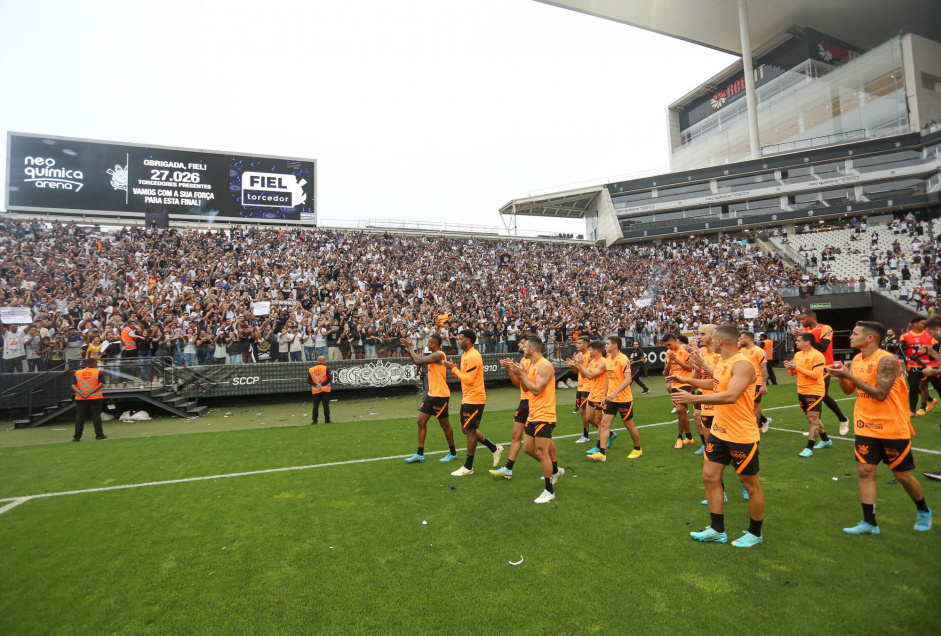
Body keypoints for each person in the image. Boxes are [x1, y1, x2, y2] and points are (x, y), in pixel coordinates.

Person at [826, 321, 932, 534]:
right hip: (865, 425)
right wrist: (841, 374)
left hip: (892, 426)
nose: (850, 336)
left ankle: (923, 509)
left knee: (901, 475)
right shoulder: (856, 359)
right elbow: (849, 390)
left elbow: (880, 394)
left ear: (870, 338)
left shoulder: (888, 360)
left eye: (855, 334)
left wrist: (848, 376)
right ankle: (869, 523)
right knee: (865, 471)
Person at [673, 324, 764, 548]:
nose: (704, 339)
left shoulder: (743, 364)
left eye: (709, 337)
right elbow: (716, 384)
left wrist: (692, 399)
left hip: (741, 435)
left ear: (720, 341)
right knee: (710, 477)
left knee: (750, 485)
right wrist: (687, 382)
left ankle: (755, 533)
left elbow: (731, 395)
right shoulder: (723, 362)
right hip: (718, 432)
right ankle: (717, 530)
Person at [505, 336, 561, 503]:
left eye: (525, 347)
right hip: (533, 413)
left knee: (542, 452)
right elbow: (525, 388)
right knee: (528, 449)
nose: (523, 349)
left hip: (545, 414)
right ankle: (554, 470)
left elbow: (536, 390)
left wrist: (522, 374)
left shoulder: (545, 366)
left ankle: (549, 490)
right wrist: (518, 373)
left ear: (533, 349)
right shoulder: (530, 364)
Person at [443, 329, 502, 476]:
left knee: (469, 431)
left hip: (475, 398)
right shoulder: (466, 355)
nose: (458, 340)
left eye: (461, 338)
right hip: (468, 397)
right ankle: (494, 448)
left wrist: (453, 369)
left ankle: (468, 467)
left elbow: (469, 379)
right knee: (466, 429)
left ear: (468, 340)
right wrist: (454, 369)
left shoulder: (473, 356)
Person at [401, 335, 458, 464]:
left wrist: (410, 348)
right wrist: (410, 349)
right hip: (431, 395)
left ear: (435, 344)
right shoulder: (434, 355)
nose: (427, 344)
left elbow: (418, 361)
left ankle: (453, 452)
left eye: (429, 342)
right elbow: (418, 360)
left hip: (440, 395)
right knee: (421, 422)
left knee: (444, 425)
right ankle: (419, 454)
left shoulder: (439, 355)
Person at [793, 310, 850, 435]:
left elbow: (824, 347)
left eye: (803, 319)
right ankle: (815, 425)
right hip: (809, 367)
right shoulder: (806, 332)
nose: (801, 322)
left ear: (811, 318)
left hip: (825, 366)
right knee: (811, 396)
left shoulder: (825, 328)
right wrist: (798, 338)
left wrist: (806, 338)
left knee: (821, 395)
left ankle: (843, 419)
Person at [587, 336, 642, 461]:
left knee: (629, 426)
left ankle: (637, 449)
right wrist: (605, 395)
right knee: (604, 423)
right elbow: (608, 379)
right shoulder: (608, 360)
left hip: (624, 399)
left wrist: (615, 392)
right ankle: (602, 453)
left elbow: (628, 379)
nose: (605, 346)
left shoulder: (623, 359)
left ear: (615, 345)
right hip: (610, 400)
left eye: (608, 344)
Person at [783, 333, 832, 457]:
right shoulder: (798, 354)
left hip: (815, 390)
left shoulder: (818, 356)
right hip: (801, 390)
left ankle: (809, 448)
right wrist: (789, 367)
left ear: (807, 342)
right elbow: (793, 373)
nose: (796, 342)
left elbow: (816, 375)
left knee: (812, 419)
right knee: (812, 418)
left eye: (799, 340)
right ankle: (826, 440)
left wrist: (797, 367)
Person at [491, 335, 532, 479]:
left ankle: (553, 467)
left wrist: (519, 372)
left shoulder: (537, 363)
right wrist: (510, 369)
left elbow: (528, 387)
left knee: (533, 446)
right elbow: (517, 384)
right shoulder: (523, 360)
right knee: (515, 435)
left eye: (522, 343)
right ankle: (508, 468)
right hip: (523, 402)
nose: (519, 346)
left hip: (534, 404)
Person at [898, 316, 941, 416]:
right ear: (914, 324)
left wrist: (935, 370)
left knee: (937, 387)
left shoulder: (934, 339)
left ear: (937, 330)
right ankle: (914, 410)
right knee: (914, 387)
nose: (931, 336)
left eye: (931, 333)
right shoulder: (905, 336)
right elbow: (902, 351)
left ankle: (925, 404)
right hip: (914, 365)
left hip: (932, 366)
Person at [662, 333, 694, 449]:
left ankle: (679, 436)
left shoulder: (685, 351)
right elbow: (666, 370)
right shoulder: (668, 353)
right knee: (682, 412)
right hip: (675, 384)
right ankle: (689, 437)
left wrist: (676, 359)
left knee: (680, 409)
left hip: (686, 383)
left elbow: (690, 367)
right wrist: (670, 360)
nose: (668, 347)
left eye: (669, 344)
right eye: (666, 345)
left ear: (675, 340)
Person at [739, 331, 770, 432]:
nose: (740, 340)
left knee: (755, 406)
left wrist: (763, 384)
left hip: (756, 382)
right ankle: (764, 420)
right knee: (746, 405)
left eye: (741, 338)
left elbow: (764, 368)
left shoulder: (759, 351)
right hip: (745, 382)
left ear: (748, 339)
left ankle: (754, 429)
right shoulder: (742, 350)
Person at [72, 358, 107, 442]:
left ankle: (77, 437)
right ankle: (99, 435)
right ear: (92, 364)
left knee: (80, 417)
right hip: (95, 397)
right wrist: (90, 393)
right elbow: (100, 384)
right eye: (95, 362)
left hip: (81, 398)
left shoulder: (77, 373)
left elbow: (73, 385)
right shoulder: (98, 372)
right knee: (96, 416)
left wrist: (81, 393)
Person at [567, 335, 593, 443]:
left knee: (587, 413)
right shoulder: (579, 355)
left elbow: (587, 373)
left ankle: (587, 434)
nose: (577, 345)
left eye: (579, 343)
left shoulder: (590, 356)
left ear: (586, 344)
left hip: (588, 386)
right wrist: (573, 366)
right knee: (583, 412)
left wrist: (577, 365)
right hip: (580, 386)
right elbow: (576, 372)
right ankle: (586, 434)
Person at [308, 355, 332, 424]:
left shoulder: (311, 369)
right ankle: (327, 420)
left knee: (315, 405)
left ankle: (314, 421)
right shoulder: (325, 368)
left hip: (315, 390)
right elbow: (329, 379)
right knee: (326, 405)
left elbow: (309, 381)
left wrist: (316, 385)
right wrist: (322, 384)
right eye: (324, 360)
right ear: (322, 361)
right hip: (325, 389)